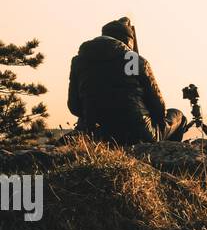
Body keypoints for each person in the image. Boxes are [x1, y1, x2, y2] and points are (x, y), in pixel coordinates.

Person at [67, 17, 189, 146]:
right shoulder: (134, 60)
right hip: (137, 134)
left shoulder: (79, 61)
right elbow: (159, 107)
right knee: (178, 116)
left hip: (98, 135)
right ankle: (165, 158)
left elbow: (74, 107)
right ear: (128, 40)